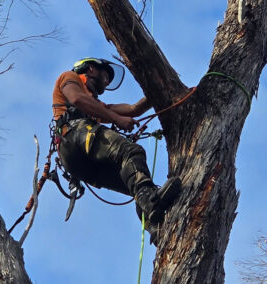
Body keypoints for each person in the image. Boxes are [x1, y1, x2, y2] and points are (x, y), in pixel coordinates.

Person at [52, 57, 180, 244]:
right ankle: (151, 202)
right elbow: (76, 98)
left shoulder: (96, 105)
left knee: (135, 183)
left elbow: (133, 109)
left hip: (79, 164)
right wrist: (116, 119)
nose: (107, 82)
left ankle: (155, 224)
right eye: (106, 76)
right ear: (91, 69)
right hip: (74, 135)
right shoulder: (70, 77)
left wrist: (161, 88)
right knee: (131, 152)